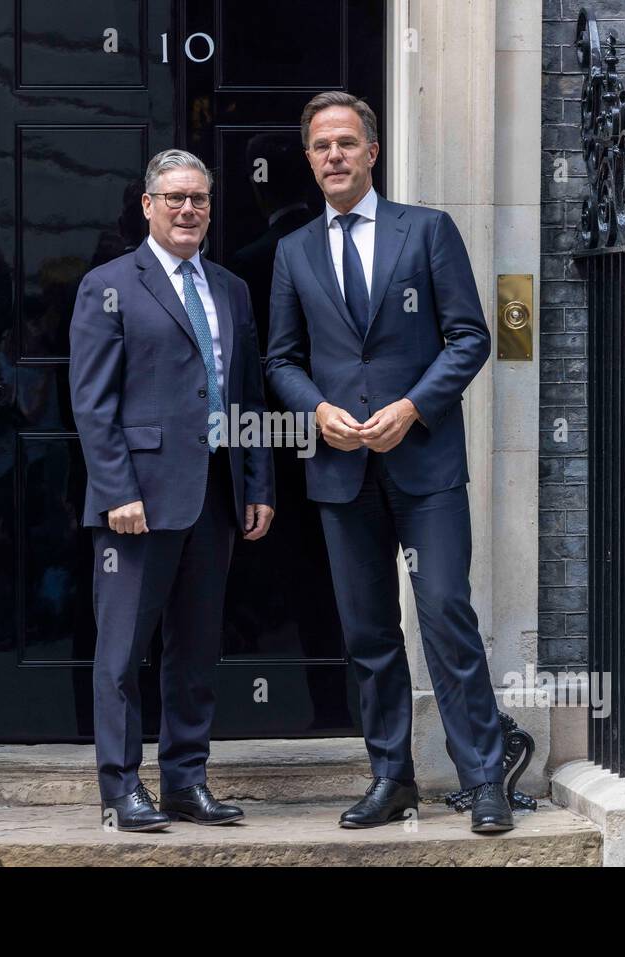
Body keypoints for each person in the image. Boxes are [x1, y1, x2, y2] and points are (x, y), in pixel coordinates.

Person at [265, 91, 513, 833]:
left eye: (346, 142)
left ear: (372, 151)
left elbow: (470, 337)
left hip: (426, 465)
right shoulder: (293, 250)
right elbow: (280, 359)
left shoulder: (427, 231)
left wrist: (411, 407)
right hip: (341, 471)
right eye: (320, 146)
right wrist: (315, 409)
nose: (333, 156)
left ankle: (483, 779)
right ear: (309, 160)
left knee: (444, 612)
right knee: (368, 630)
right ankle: (390, 777)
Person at [70, 149, 275, 831]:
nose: (189, 210)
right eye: (175, 198)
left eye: (200, 199)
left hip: (215, 494)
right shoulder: (109, 284)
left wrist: (256, 481)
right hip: (139, 498)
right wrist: (116, 488)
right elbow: (93, 403)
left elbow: (247, 392)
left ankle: (186, 779)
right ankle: (122, 788)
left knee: (196, 646)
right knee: (123, 650)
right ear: (148, 206)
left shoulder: (231, 287)